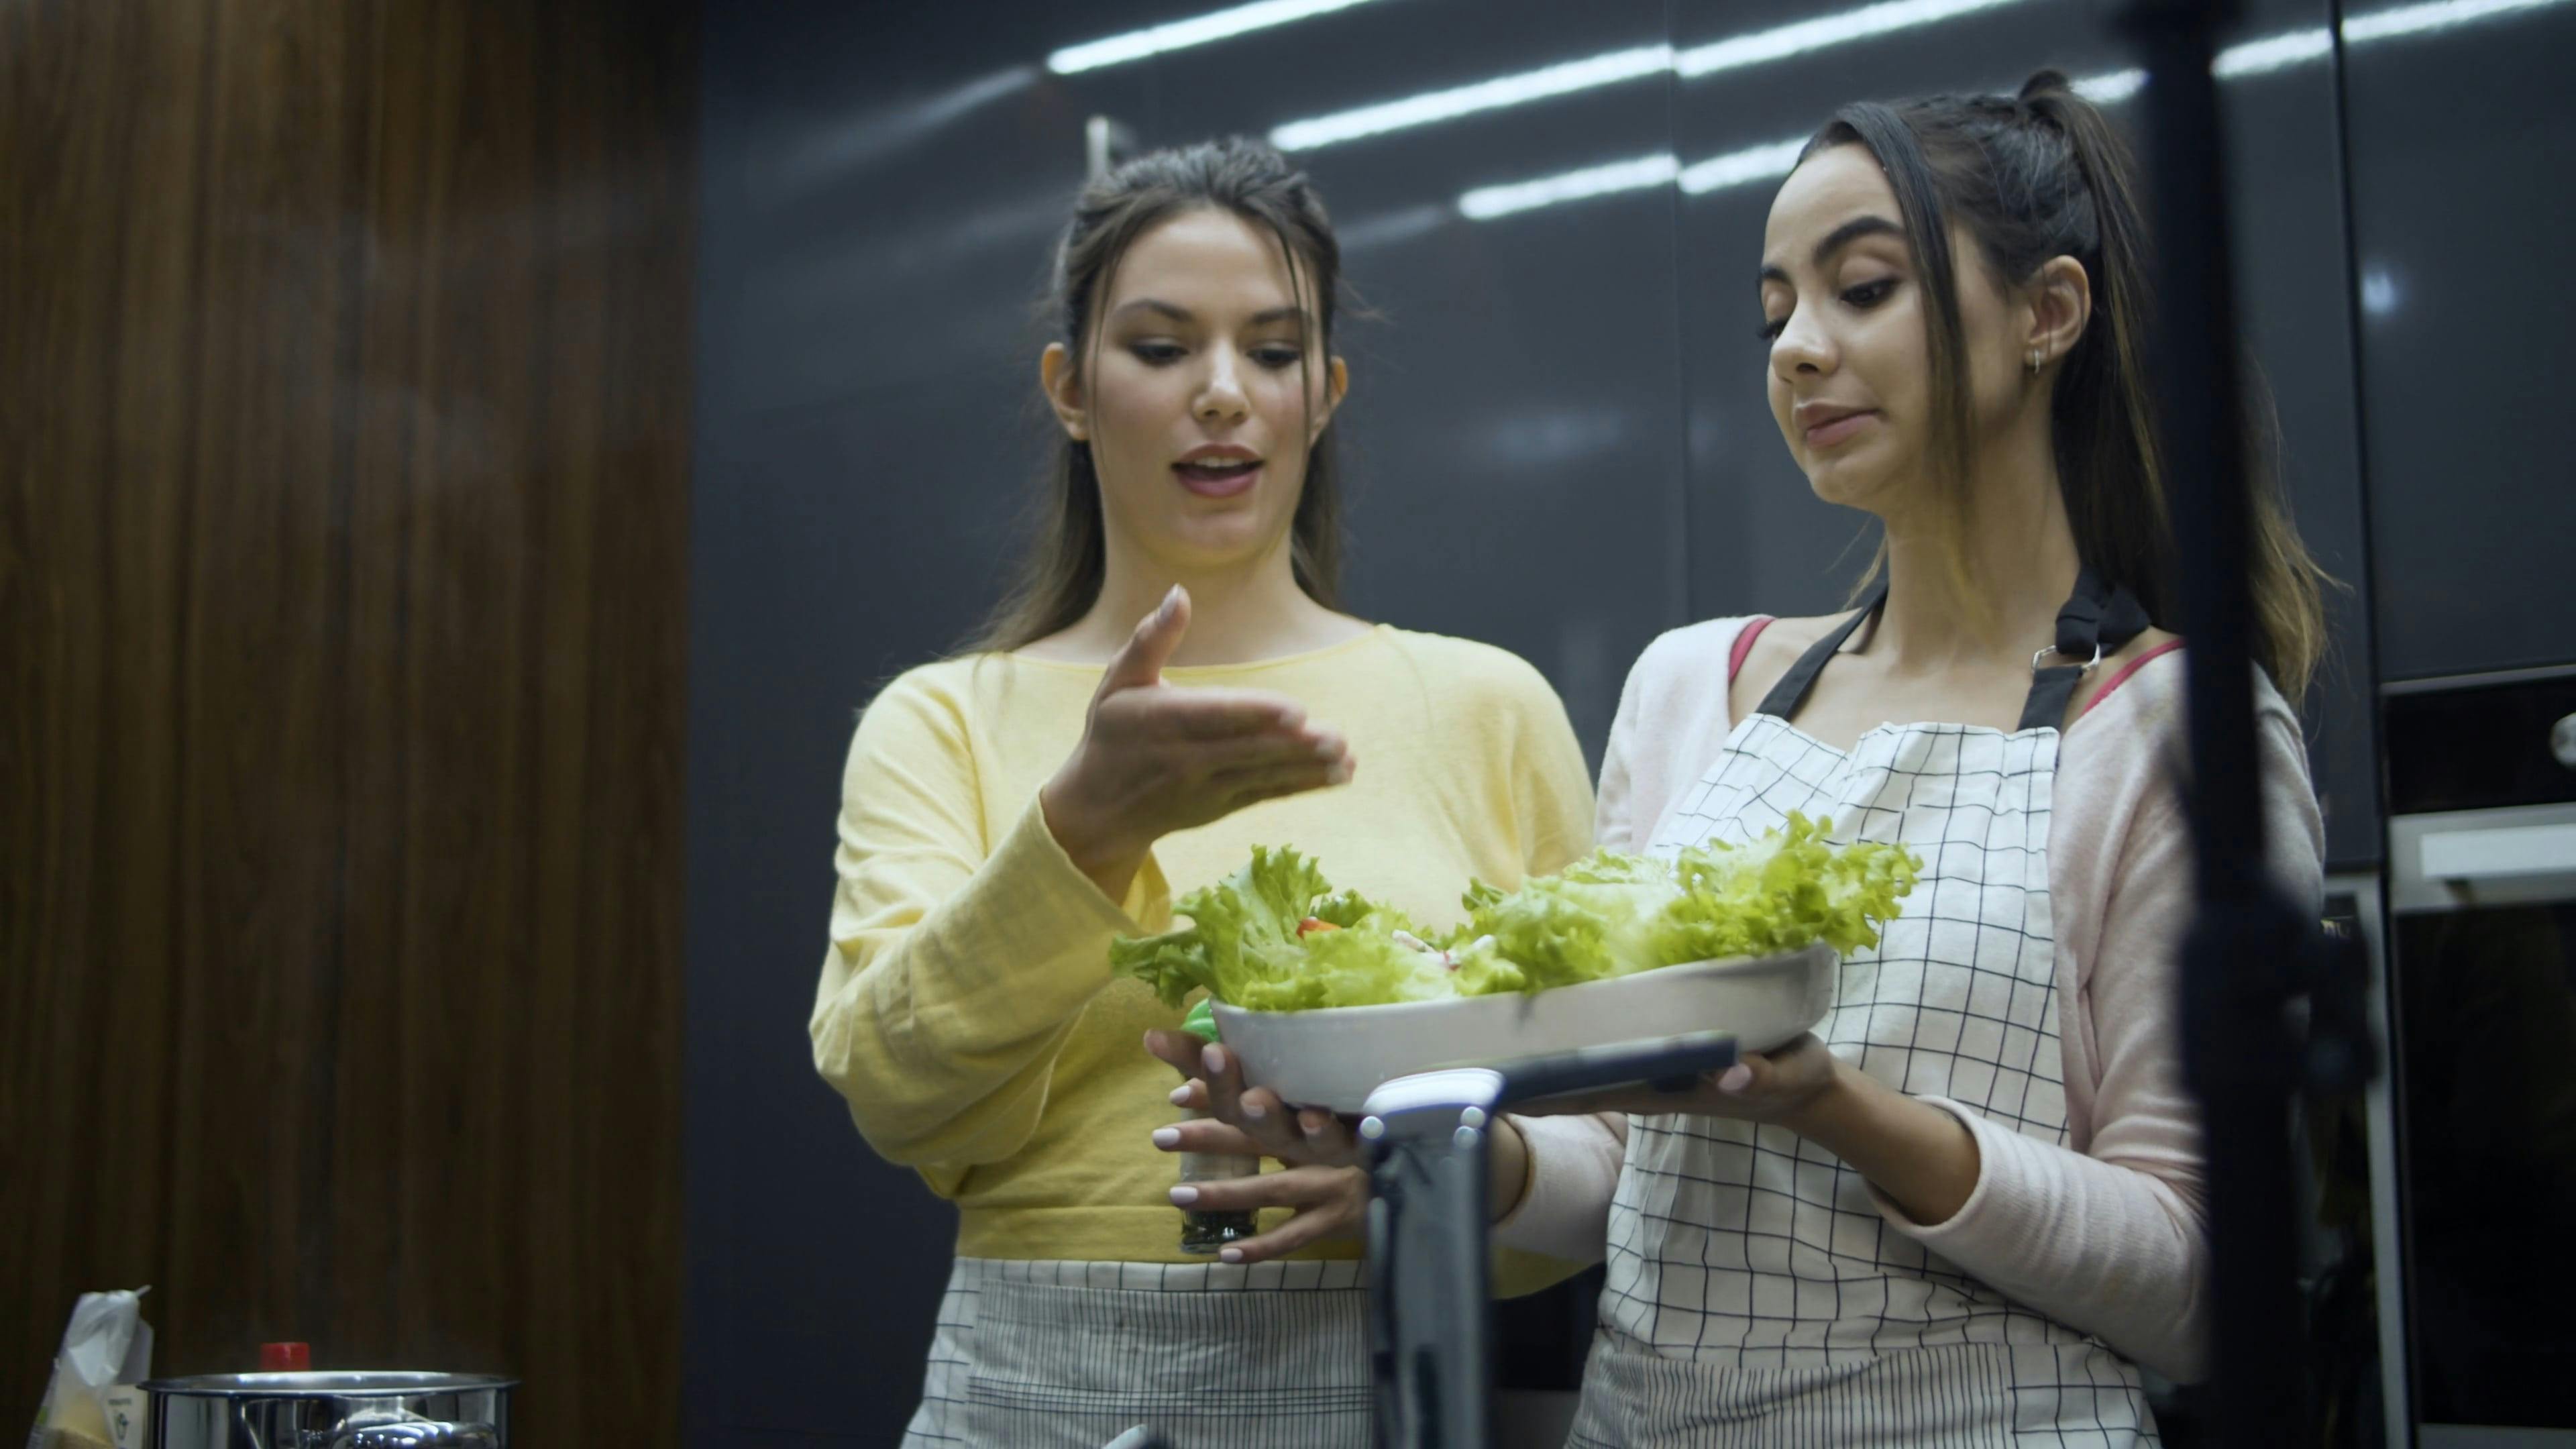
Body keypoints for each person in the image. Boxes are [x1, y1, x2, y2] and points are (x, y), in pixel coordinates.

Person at [1155, 72, 2332, 1446]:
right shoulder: (1695, 688)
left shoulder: (2175, 732)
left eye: (1864, 289)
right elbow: (1619, 1161)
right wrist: (1423, 1149)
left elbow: (2202, 1287)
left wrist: (1843, 1111)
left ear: (2047, 314)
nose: (1797, 348)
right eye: (1776, 311)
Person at [808, 136, 1596, 1448]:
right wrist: (1086, 826)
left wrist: (1422, 1182)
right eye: (1163, 348)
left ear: (1326, 391)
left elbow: (1612, 1155)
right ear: (1070, 387)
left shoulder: (1488, 709)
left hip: (1389, 1368)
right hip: (1031, 1387)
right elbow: (891, 1087)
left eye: (1273, 352)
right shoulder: (939, 719)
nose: (1223, 392)